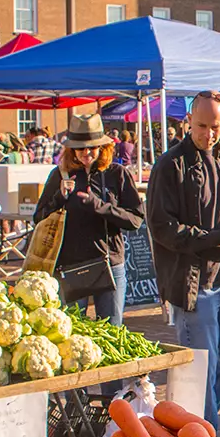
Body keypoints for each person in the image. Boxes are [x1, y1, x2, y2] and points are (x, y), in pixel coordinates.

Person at [146, 91, 220, 427]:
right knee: (200, 368)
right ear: (188, 122)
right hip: (193, 282)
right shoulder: (170, 165)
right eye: (202, 126)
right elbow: (162, 227)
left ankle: (191, 422)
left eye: (216, 127)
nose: (209, 134)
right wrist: (218, 237)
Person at [33, 115, 144, 323]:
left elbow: (135, 219)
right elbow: (38, 218)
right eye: (80, 148)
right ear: (71, 149)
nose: (86, 153)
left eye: (92, 147)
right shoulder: (60, 175)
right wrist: (60, 197)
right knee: (73, 333)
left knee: (111, 330)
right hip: (71, 267)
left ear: (102, 147)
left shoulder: (117, 174)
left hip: (110, 264)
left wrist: (99, 206)